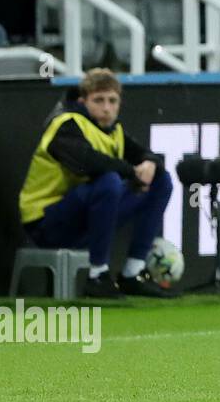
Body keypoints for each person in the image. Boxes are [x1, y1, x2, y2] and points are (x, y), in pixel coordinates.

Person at [18, 68, 176, 299]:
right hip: (46, 221)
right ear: (83, 100)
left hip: (82, 217)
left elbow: (148, 156)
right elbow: (86, 162)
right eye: (98, 100)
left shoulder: (114, 131)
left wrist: (150, 163)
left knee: (161, 181)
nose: (106, 108)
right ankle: (97, 275)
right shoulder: (66, 124)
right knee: (109, 181)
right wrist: (133, 171)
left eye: (112, 101)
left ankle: (132, 273)